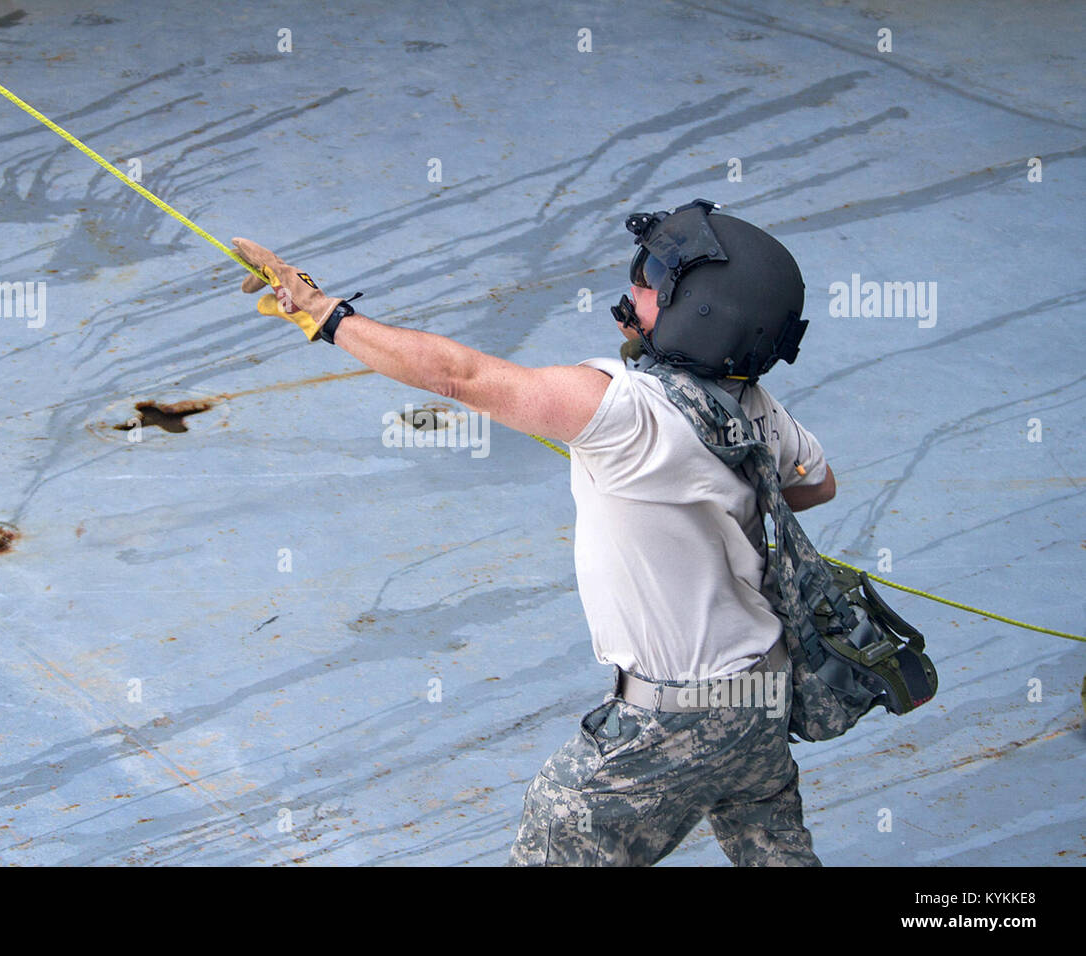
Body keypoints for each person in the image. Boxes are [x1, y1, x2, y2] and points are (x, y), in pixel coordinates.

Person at [230, 198, 836, 866]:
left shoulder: (625, 411)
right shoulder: (754, 406)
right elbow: (815, 483)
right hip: (764, 695)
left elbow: (460, 377)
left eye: (655, 278)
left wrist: (322, 311)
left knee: (557, 833)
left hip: (677, 716)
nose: (636, 285)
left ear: (701, 311)